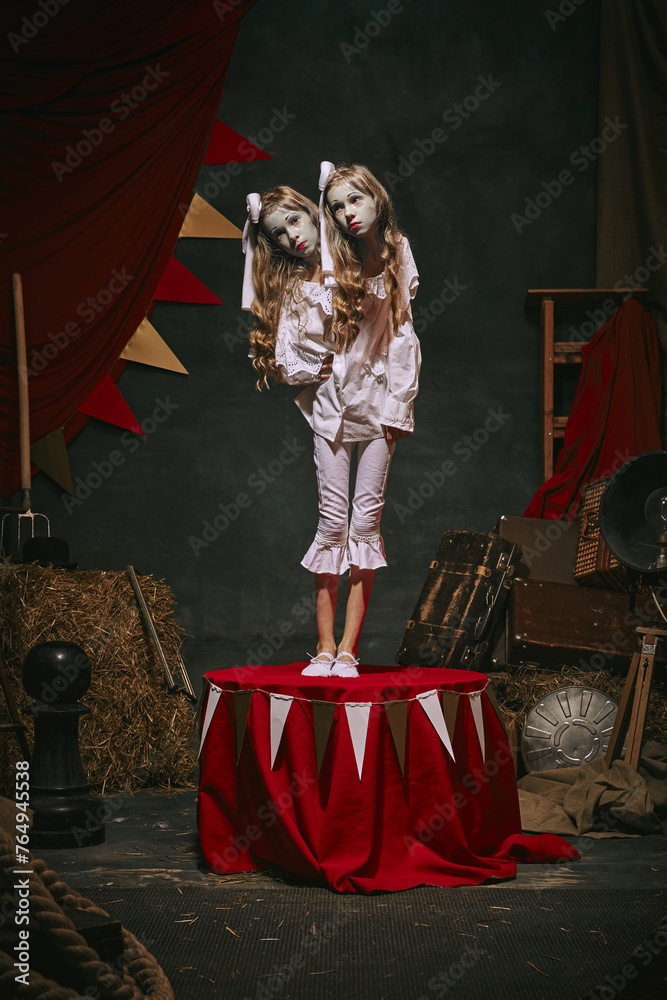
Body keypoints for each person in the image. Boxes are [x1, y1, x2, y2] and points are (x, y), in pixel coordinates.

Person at [243, 168, 420, 678]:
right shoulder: (300, 286)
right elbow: (289, 357)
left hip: (379, 406)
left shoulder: (374, 257)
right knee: (331, 522)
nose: (290, 235)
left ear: (313, 213)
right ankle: (323, 648)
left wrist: (399, 406)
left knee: (366, 522)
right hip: (330, 414)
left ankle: (348, 649)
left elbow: (402, 333)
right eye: (277, 232)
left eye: (295, 220)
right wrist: (308, 367)